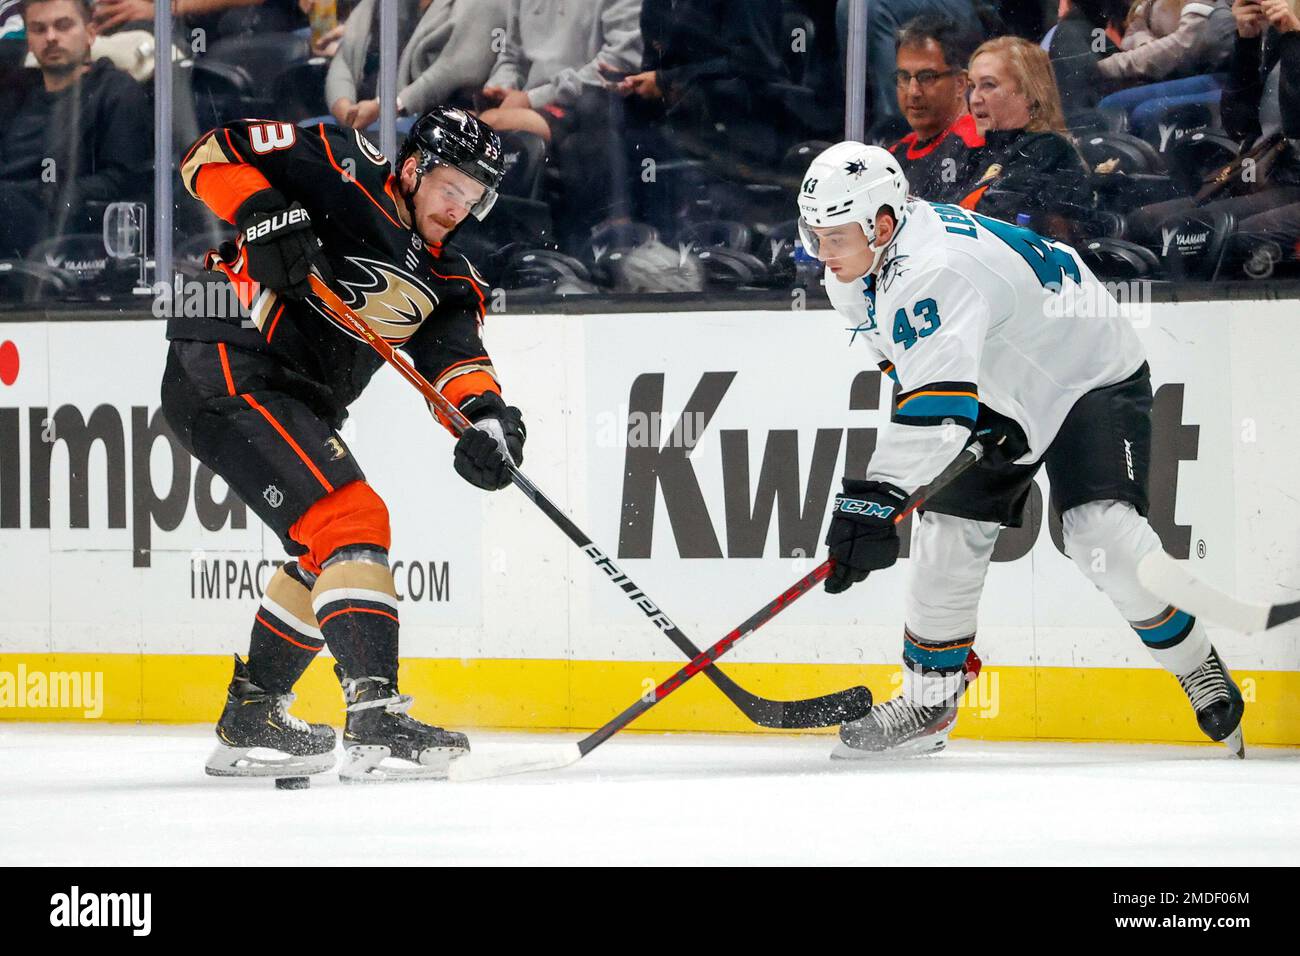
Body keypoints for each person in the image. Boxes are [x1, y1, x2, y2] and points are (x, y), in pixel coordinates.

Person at [796, 141, 1246, 759]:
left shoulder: (935, 269)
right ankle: (929, 701)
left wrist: (875, 500)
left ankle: (1195, 665)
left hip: (1086, 367)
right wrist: (980, 415)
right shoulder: (852, 264)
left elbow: (933, 405)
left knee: (1101, 537)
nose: (822, 252)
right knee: (949, 529)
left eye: (834, 236)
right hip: (1002, 376)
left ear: (881, 222)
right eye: (812, 234)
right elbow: (905, 365)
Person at [163, 107, 525, 783]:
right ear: (415, 168)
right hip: (226, 355)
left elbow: (459, 369)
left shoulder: (450, 282)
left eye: (475, 200)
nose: (460, 209)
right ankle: (375, 718)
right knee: (353, 520)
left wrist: (490, 426)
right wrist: (266, 210)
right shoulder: (340, 163)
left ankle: (253, 717)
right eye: (453, 189)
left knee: (323, 552)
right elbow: (206, 154)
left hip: (290, 396)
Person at [0, 0, 150, 259]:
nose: (51, 38)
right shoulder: (15, 92)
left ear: (91, 33)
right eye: (38, 29)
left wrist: (46, 195)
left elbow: (123, 179)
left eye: (63, 26)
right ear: (29, 40)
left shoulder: (115, 91)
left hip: (63, 229)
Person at [958, 36, 1092, 219]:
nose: (974, 99)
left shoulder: (1049, 149)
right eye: (972, 86)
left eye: (988, 85)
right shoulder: (977, 154)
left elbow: (992, 217)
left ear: (1030, 94)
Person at [325, 0, 506, 131]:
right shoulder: (379, 5)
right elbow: (344, 58)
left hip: (432, 121)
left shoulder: (482, 4)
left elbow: (452, 70)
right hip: (366, 116)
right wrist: (343, 106)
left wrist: (387, 106)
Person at [885, 14, 985, 204]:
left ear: (960, 84)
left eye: (927, 76)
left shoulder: (979, 145)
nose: (913, 91)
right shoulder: (892, 156)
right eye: (904, 77)